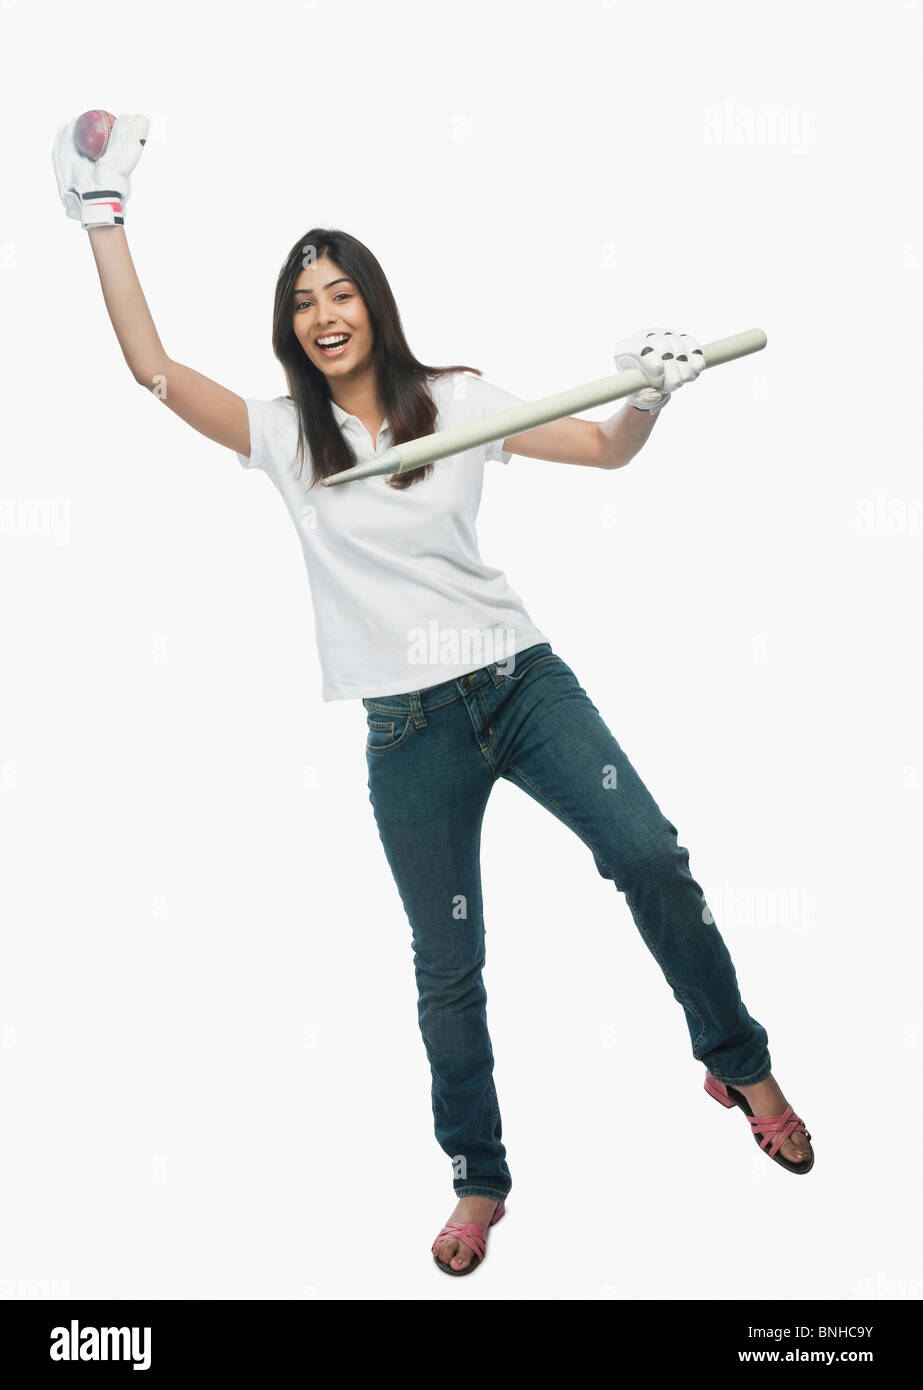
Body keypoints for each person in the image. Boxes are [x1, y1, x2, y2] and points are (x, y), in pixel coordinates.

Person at [53, 112, 814, 1280]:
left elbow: (606, 451)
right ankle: (478, 1177)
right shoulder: (282, 439)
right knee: (446, 962)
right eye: (303, 299)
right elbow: (152, 371)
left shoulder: (458, 400)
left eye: (340, 290)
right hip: (407, 729)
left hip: (519, 684)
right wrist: (102, 216)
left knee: (649, 854)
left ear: (373, 302)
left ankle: (736, 1060)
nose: (323, 313)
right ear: (288, 325)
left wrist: (653, 395)